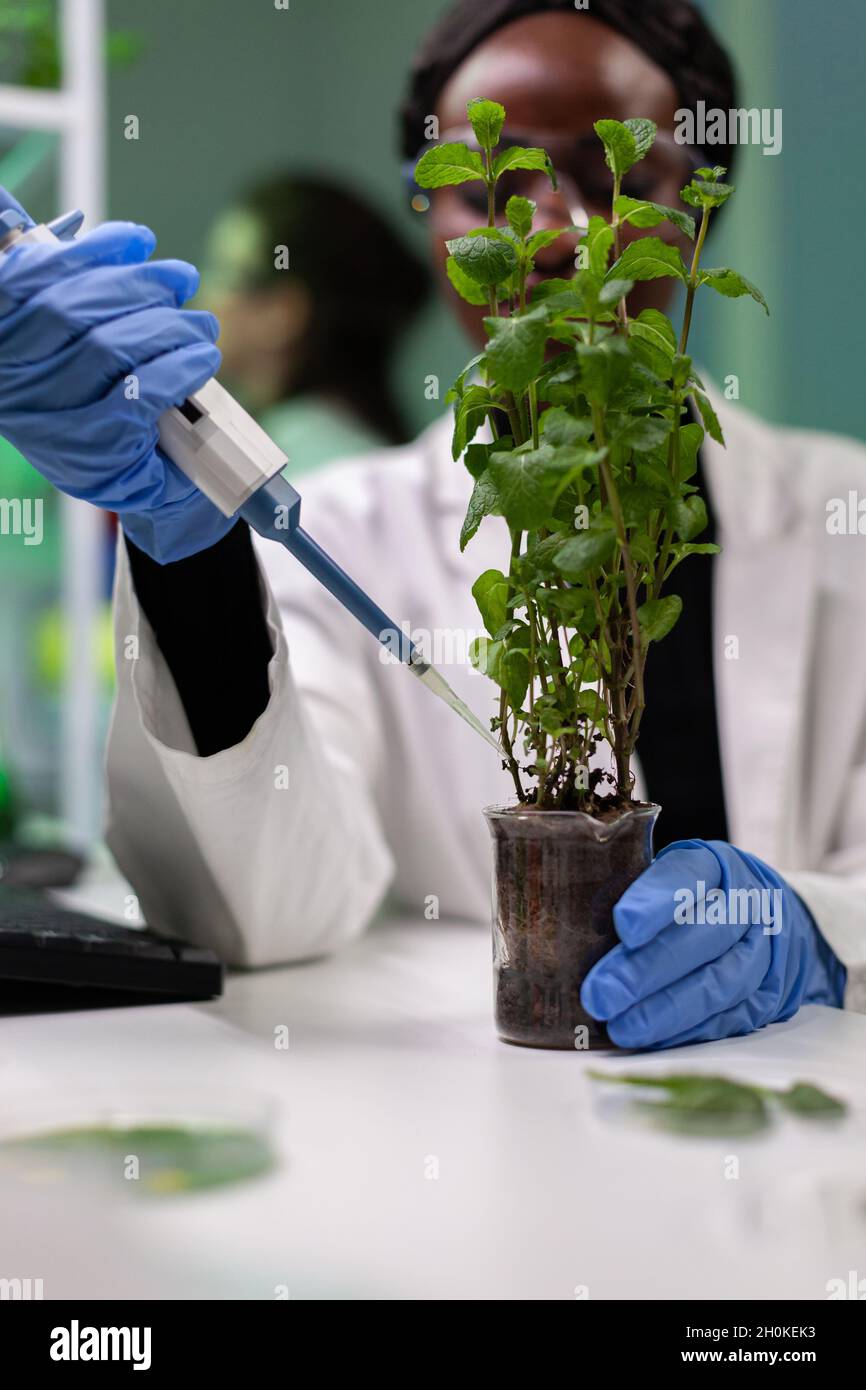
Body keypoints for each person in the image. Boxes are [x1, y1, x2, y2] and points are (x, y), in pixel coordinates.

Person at [0, 0, 863, 1050]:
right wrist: (193, 556)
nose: (556, 233)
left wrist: (819, 929)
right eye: (493, 185)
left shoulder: (842, 516)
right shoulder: (348, 532)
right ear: (431, 219)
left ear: (697, 212)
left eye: (619, 182)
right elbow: (265, 909)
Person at [198, 175, 430, 474]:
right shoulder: (373, 457)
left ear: (282, 312)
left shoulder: (293, 471)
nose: (201, 294)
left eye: (222, 271)